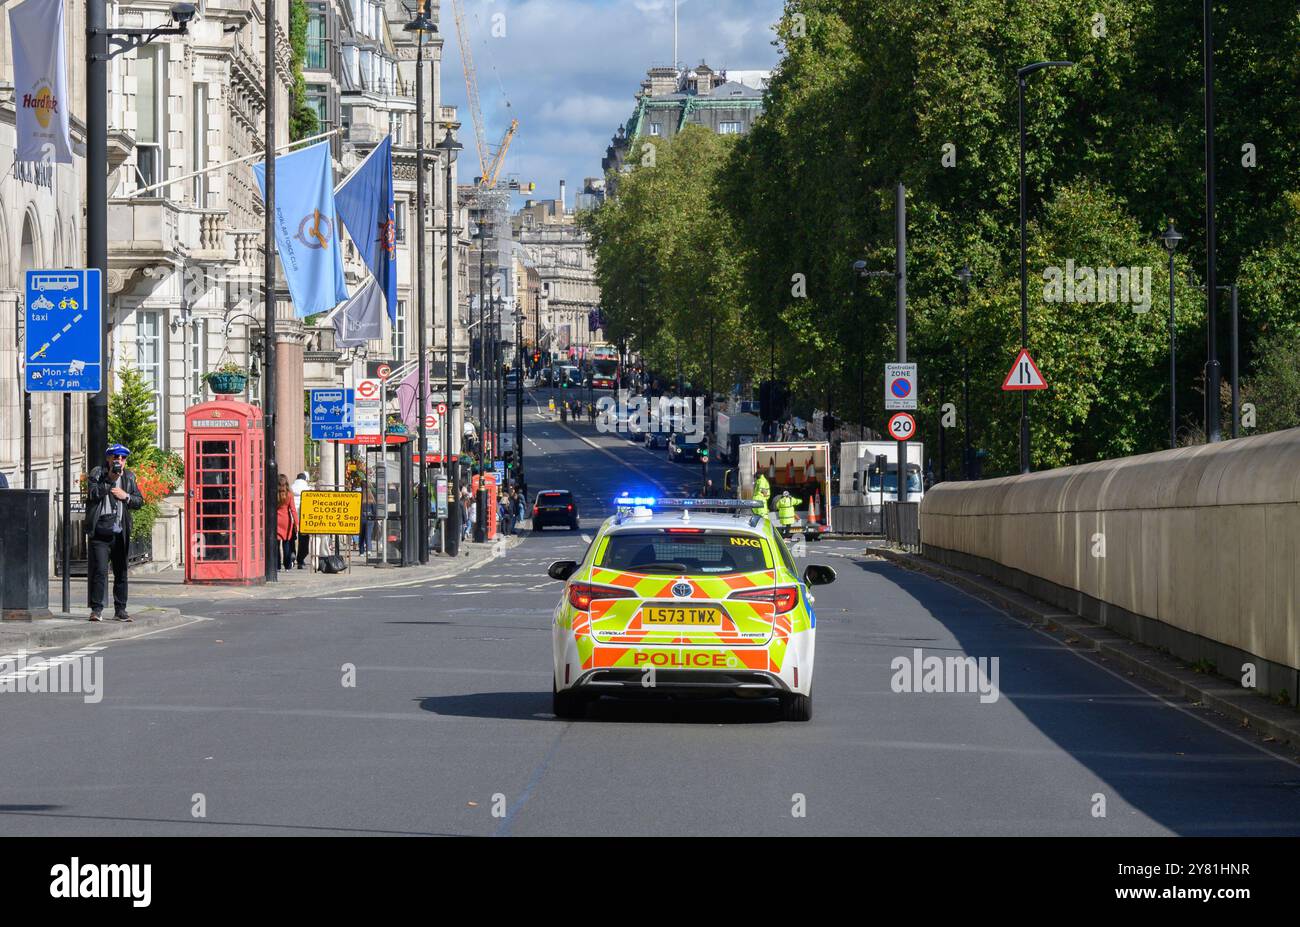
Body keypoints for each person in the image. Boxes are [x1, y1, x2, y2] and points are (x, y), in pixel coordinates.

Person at [85, 444, 144, 622]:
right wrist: (109, 480)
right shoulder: (98, 473)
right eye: (116, 457)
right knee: (100, 571)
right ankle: (96, 610)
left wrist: (125, 496)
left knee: (121, 572)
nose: (119, 461)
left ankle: (121, 610)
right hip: (100, 531)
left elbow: (139, 501)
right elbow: (92, 493)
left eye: (123, 458)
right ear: (108, 459)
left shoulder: (129, 477)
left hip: (119, 531)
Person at [276, 474, 298, 570]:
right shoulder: (289, 494)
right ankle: (287, 565)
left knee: (276, 545)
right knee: (286, 544)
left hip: (276, 520)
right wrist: (297, 523)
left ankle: (277, 566)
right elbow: (293, 510)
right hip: (286, 521)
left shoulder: (275, 493)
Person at [291, 471, 312, 569]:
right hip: (304, 518)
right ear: (305, 479)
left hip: (291, 517)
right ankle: (301, 559)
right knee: (304, 540)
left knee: (290, 539)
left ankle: (291, 555)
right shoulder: (308, 489)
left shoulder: (290, 488)